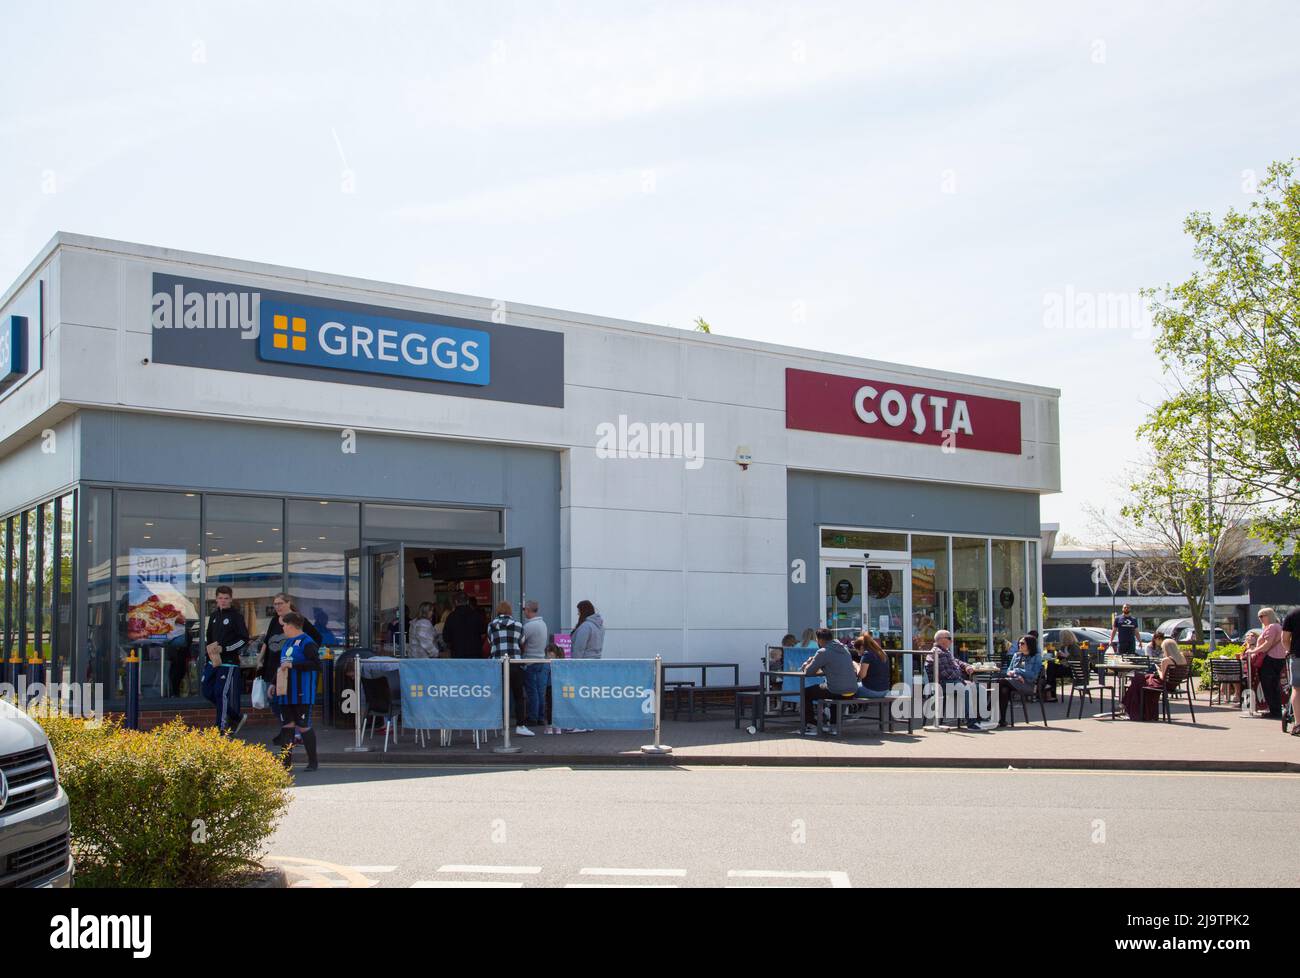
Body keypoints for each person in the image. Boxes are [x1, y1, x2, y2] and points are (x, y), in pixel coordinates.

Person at [260, 593, 322, 730]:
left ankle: (297, 732)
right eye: (275, 604)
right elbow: (267, 640)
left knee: (296, 703)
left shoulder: (298, 619)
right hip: (274, 666)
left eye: (280, 603)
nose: (277, 607)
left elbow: (317, 638)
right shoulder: (274, 620)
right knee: (275, 701)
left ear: (288, 603)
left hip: (293, 668)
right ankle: (289, 728)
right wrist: (260, 658)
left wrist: (303, 654)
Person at [273, 612, 321, 772]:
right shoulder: (287, 643)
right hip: (286, 692)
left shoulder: (307, 642)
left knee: (303, 726)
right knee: (287, 725)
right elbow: (283, 665)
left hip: (302, 692)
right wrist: (273, 684)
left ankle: (313, 762)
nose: (283, 629)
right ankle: (285, 765)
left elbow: (316, 664)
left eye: (284, 626)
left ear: (291, 625)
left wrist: (294, 666)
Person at [799, 628, 861, 734]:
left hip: (836, 689)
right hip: (852, 689)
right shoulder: (844, 648)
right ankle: (834, 725)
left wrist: (807, 663)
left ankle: (811, 724)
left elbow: (808, 672)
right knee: (833, 689)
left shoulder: (823, 651)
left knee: (806, 692)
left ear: (820, 640)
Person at [206, 585, 249, 735]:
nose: (223, 601)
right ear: (216, 599)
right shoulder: (213, 616)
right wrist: (209, 655)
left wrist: (225, 648)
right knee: (206, 690)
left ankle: (221, 728)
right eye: (220, 598)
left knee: (220, 693)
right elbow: (209, 638)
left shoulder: (236, 617)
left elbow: (244, 639)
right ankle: (235, 716)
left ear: (231, 599)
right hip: (213, 662)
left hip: (228, 662)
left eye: (226, 598)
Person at [488, 600, 532, 737]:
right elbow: (522, 642)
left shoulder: (491, 625)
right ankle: (520, 725)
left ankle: (501, 725)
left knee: (499, 695)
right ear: (510, 611)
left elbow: (490, 642)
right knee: (519, 695)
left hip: (498, 664)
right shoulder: (518, 625)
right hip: (514, 663)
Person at [926, 629, 982, 730]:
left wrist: (966, 666)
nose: (952, 641)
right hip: (942, 685)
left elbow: (957, 661)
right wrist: (962, 678)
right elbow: (947, 674)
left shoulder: (945, 651)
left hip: (951, 682)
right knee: (964, 688)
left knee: (980, 688)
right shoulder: (937, 652)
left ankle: (980, 718)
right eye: (949, 638)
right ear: (941, 640)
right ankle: (971, 722)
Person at [1123, 638, 1187, 721]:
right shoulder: (1182, 658)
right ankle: (1131, 706)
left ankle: (1128, 706)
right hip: (1173, 684)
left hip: (1164, 685)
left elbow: (1162, 678)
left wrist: (1159, 669)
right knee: (1143, 678)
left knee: (1137, 679)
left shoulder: (1166, 660)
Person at [996, 634, 1043, 727]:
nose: (1019, 645)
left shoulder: (1036, 657)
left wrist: (1017, 671)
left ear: (1030, 645)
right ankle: (1002, 720)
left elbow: (1033, 675)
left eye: (1022, 643)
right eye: (1019, 643)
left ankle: (986, 709)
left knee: (1001, 681)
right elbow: (1009, 671)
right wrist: (1017, 676)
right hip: (1015, 682)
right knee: (1003, 689)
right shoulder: (1016, 655)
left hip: (1028, 684)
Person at [520, 600, 550, 731]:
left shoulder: (529, 626)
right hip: (541, 661)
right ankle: (540, 717)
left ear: (528, 610)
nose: (524, 612)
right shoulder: (543, 624)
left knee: (532, 691)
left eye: (524, 610)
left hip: (530, 661)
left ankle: (532, 717)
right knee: (539, 691)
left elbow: (520, 641)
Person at [1254, 608, 1286, 719]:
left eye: (1263, 616)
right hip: (1280, 659)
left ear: (1270, 615)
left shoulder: (1272, 627)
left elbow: (1267, 644)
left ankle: (1274, 710)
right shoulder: (1278, 626)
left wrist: (1253, 650)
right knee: (1274, 685)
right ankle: (1276, 709)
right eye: (1259, 616)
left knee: (1268, 686)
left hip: (1270, 659)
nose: (1260, 619)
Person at [443, 591, 486, 659]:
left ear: (456, 602)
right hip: (475, 655)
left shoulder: (451, 617)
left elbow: (446, 638)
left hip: (457, 655)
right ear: (468, 601)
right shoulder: (476, 615)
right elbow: (483, 635)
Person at [855, 632, 892, 698]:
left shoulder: (867, 655)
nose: (858, 654)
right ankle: (859, 707)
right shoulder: (882, 653)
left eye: (858, 651)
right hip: (885, 690)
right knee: (857, 685)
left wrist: (856, 666)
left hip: (872, 691)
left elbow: (862, 675)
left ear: (861, 647)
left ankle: (847, 708)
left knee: (848, 689)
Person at [1282, 608, 1300, 735]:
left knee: (1297, 689)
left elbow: (1284, 638)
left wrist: (1290, 651)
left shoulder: (1293, 614)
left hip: (1298, 656)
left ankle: (1298, 724)